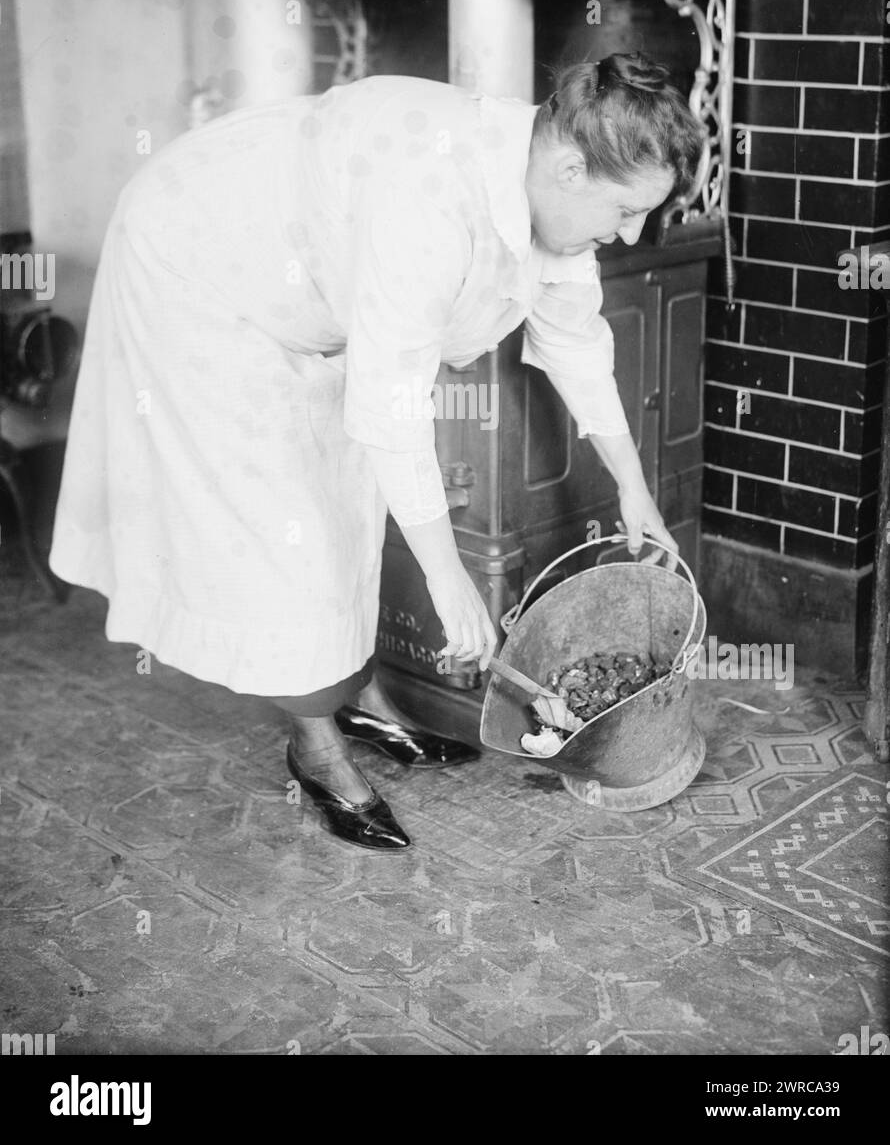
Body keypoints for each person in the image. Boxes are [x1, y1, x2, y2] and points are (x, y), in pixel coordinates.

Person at [50, 53, 704, 853]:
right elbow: (392, 409)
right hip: (200, 265)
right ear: (571, 168)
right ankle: (315, 749)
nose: (632, 234)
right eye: (627, 210)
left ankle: (363, 706)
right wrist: (446, 577)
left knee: (343, 499)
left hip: (301, 275)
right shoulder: (429, 200)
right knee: (286, 517)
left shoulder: (547, 178)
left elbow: (574, 340)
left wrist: (634, 489)